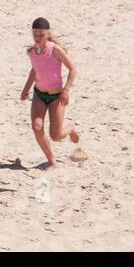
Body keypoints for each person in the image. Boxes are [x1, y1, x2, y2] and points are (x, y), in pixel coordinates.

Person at [20, 18, 82, 170]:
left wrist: (66, 90)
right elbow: (35, 70)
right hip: (39, 95)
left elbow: (73, 69)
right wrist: (26, 88)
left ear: (48, 33)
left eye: (41, 34)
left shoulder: (55, 49)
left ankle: (71, 127)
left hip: (56, 97)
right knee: (36, 126)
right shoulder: (32, 51)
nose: (38, 38)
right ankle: (51, 160)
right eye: (35, 34)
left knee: (56, 135)